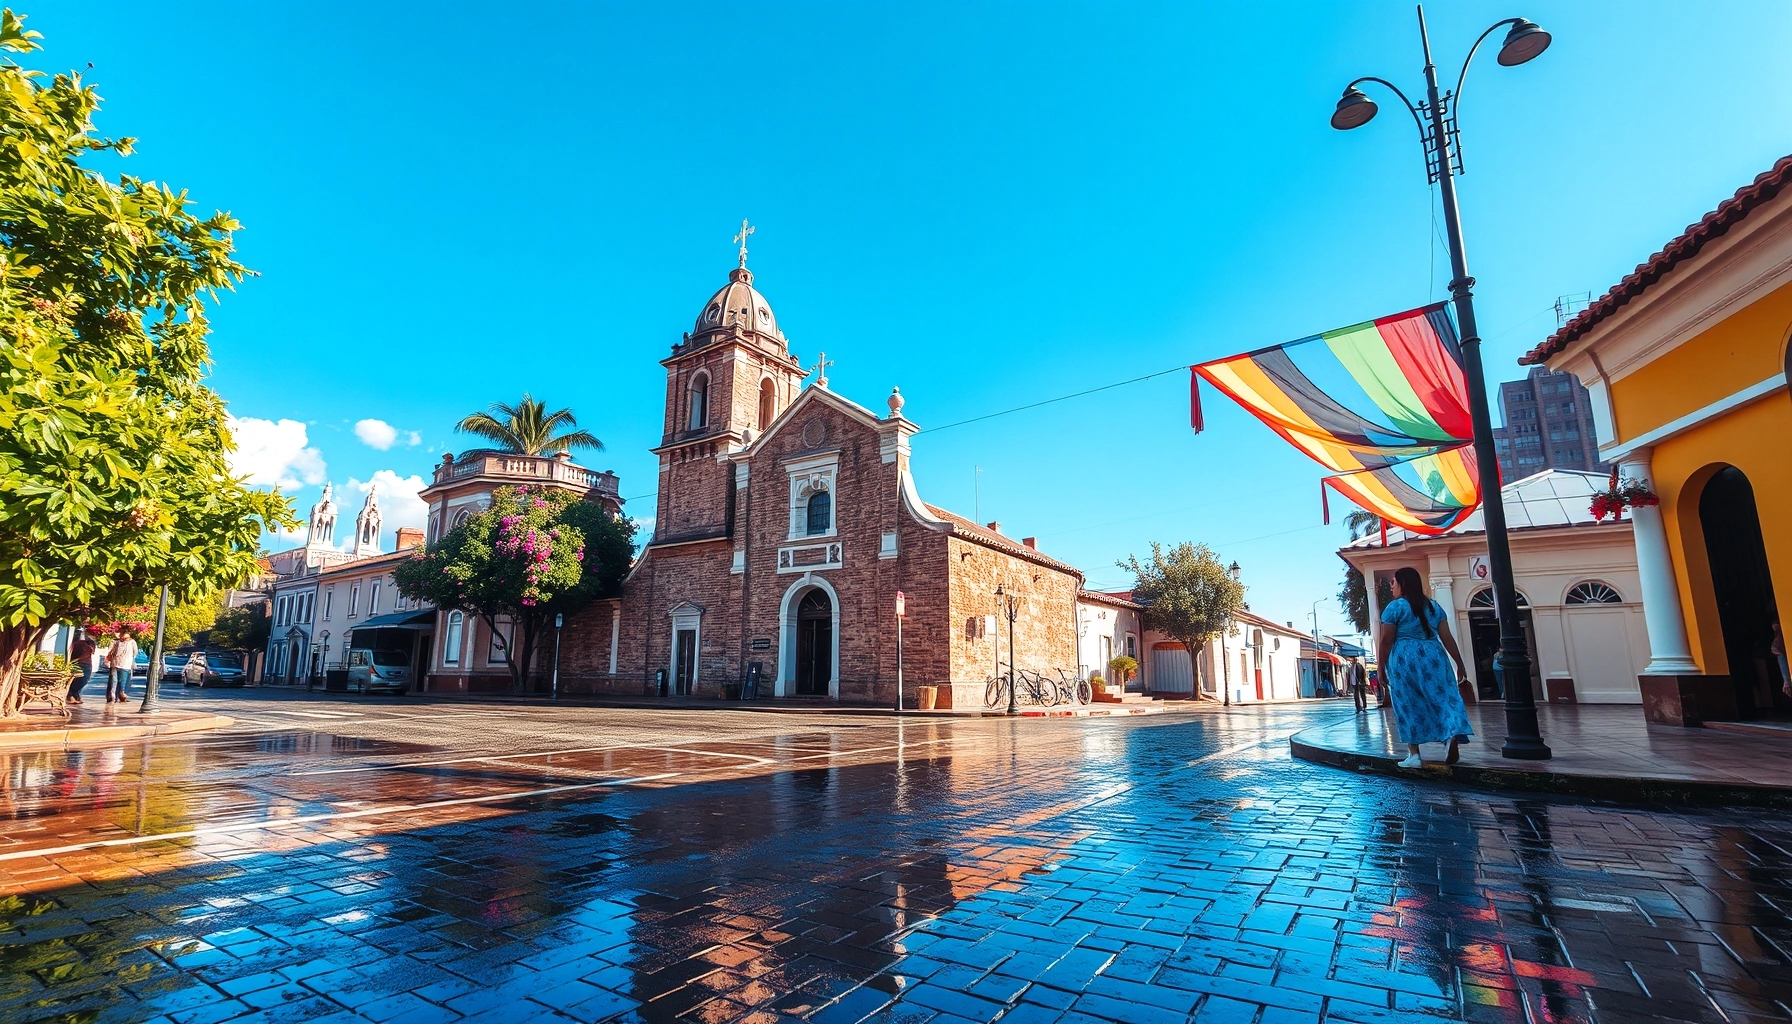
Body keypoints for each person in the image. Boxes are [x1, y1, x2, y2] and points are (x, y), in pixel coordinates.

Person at [1377, 566, 1473, 769]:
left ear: (1403, 583)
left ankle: (1414, 755)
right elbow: (1447, 637)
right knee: (1443, 698)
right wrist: (1460, 664)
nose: (1392, 586)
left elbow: (1386, 640)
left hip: (1404, 659)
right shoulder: (1434, 607)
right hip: (1434, 656)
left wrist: (1380, 668)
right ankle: (1449, 736)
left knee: (1407, 703)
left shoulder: (1395, 608)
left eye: (1394, 582)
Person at [104, 632, 138, 704]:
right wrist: (107, 660)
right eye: (124, 638)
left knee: (122, 682)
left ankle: (121, 695)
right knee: (114, 681)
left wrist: (129, 659)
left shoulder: (132, 642)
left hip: (125, 666)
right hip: (115, 664)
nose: (125, 639)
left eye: (127, 638)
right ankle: (112, 698)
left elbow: (135, 653)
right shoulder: (115, 642)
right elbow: (110, 651)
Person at [68, 630, 96, 705]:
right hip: (76, 663)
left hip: (86, 663)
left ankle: (74, 694)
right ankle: (71, 695)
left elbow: (93, 651)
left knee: (84, 680)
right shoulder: (74, 643)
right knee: (76, 680)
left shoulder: (90, 643)